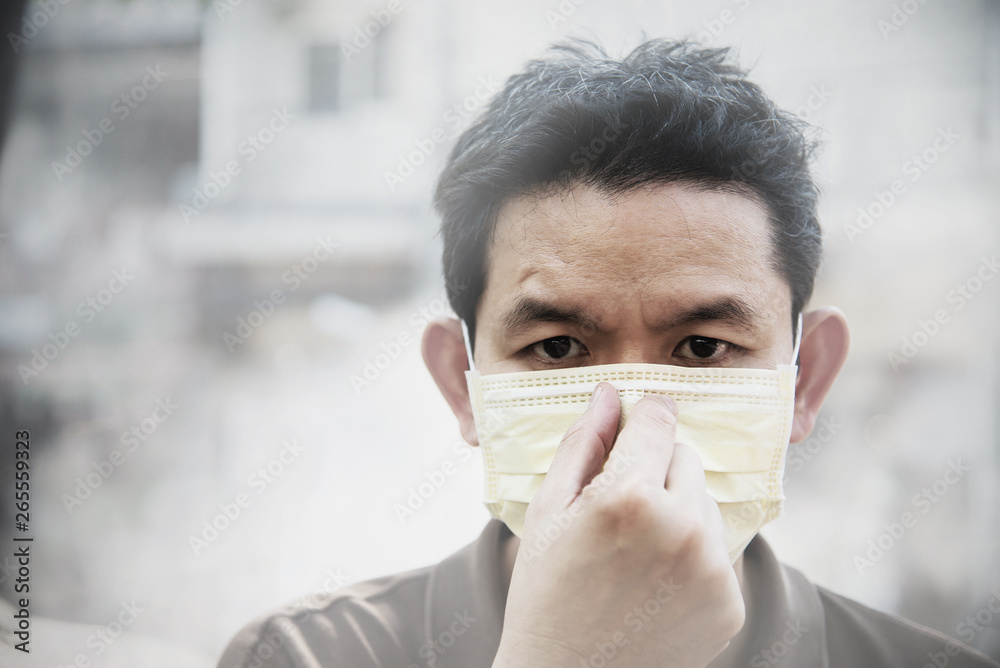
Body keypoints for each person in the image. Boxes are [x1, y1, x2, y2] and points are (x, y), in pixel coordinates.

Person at [217, 39, 1000, 668]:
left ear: (808, 379)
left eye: (701, 347)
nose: (629, 433)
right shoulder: (307, 658)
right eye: (558, 347)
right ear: (463, 385)